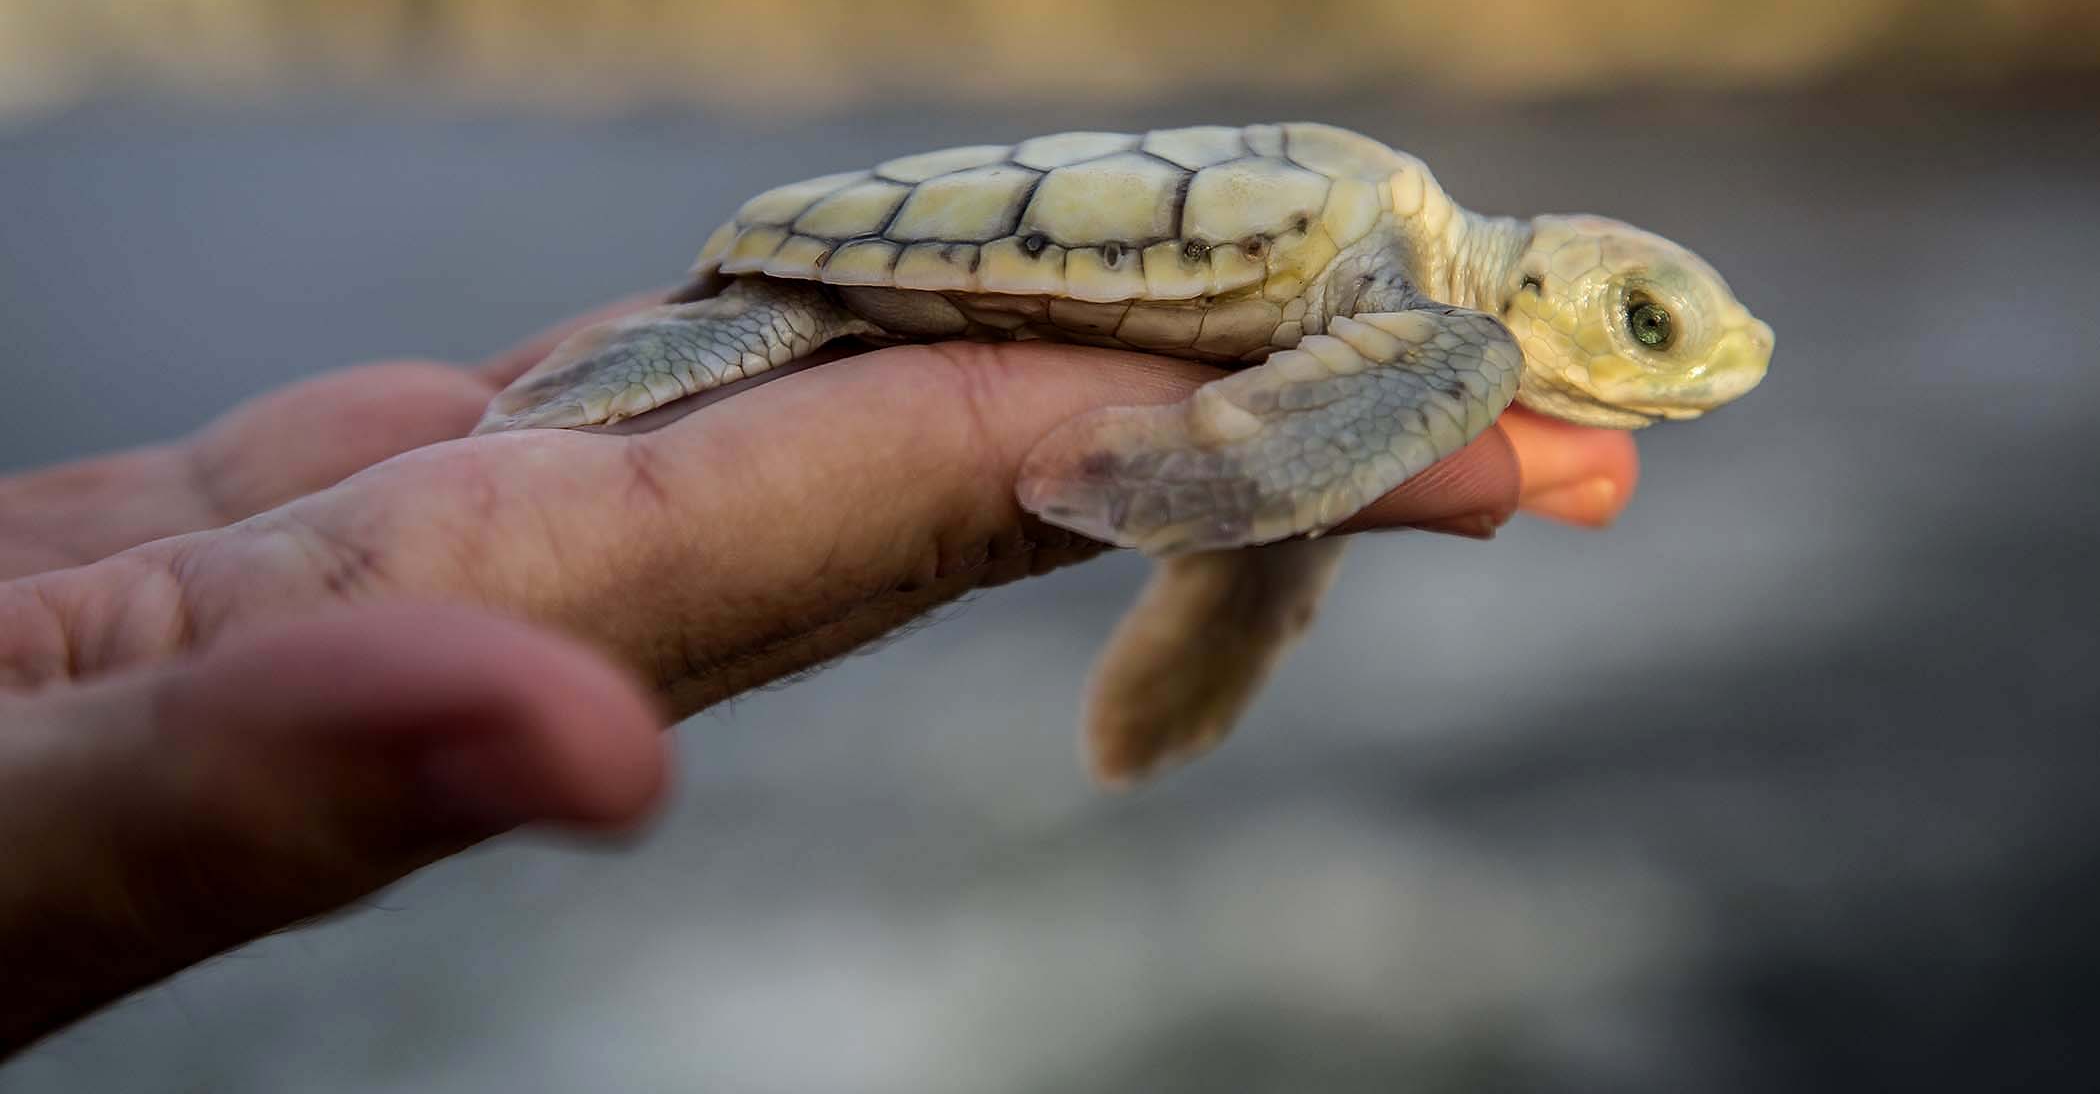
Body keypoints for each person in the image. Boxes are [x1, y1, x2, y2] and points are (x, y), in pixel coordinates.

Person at [0, 294, 1637, 1055]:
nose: (1670, 369)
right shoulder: (1451, 323)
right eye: (1640, 325)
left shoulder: (1425, 306)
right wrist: (1230, 479)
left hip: (949, 229)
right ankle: (748, 321)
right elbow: (1342, 399)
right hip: (893, 254)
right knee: (790, 324)